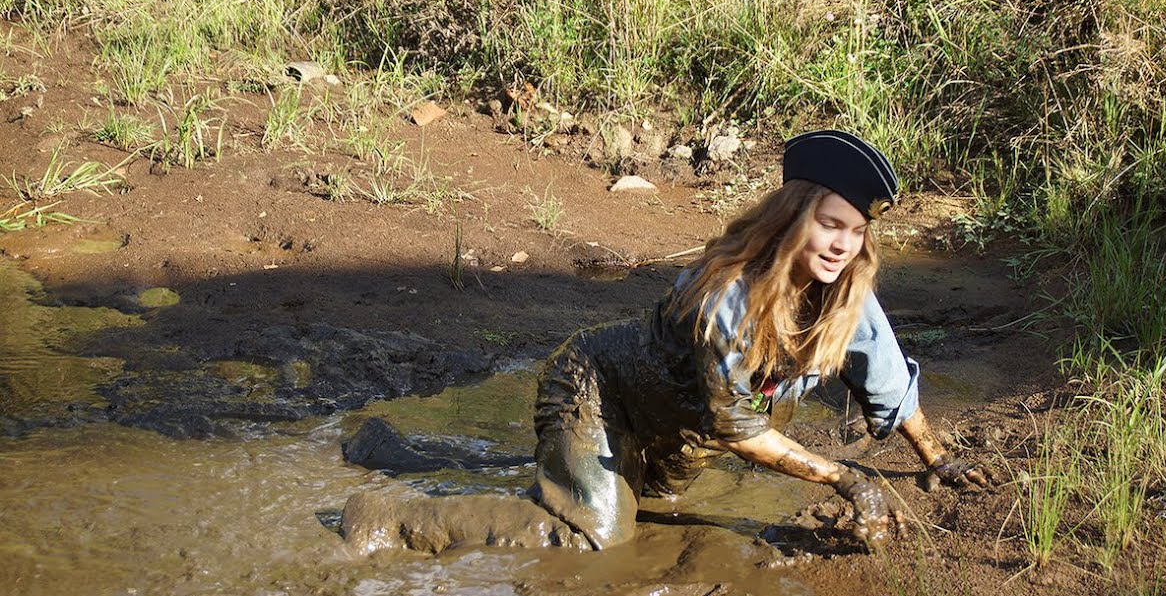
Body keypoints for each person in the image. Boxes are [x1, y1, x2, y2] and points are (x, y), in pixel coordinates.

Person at [341, 130, 991, 555]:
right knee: (597, 532)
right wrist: (847, 480)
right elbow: (739, 428)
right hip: (597, 389)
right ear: (793, 217)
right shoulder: (726, 298)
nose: (842, 245)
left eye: (854, 233)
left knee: (655, 498)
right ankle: (393, 518)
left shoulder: (848, 294)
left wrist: (937, 461)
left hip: (681, 423)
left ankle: (392, 450)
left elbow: (885, 383)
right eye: (829, 225)